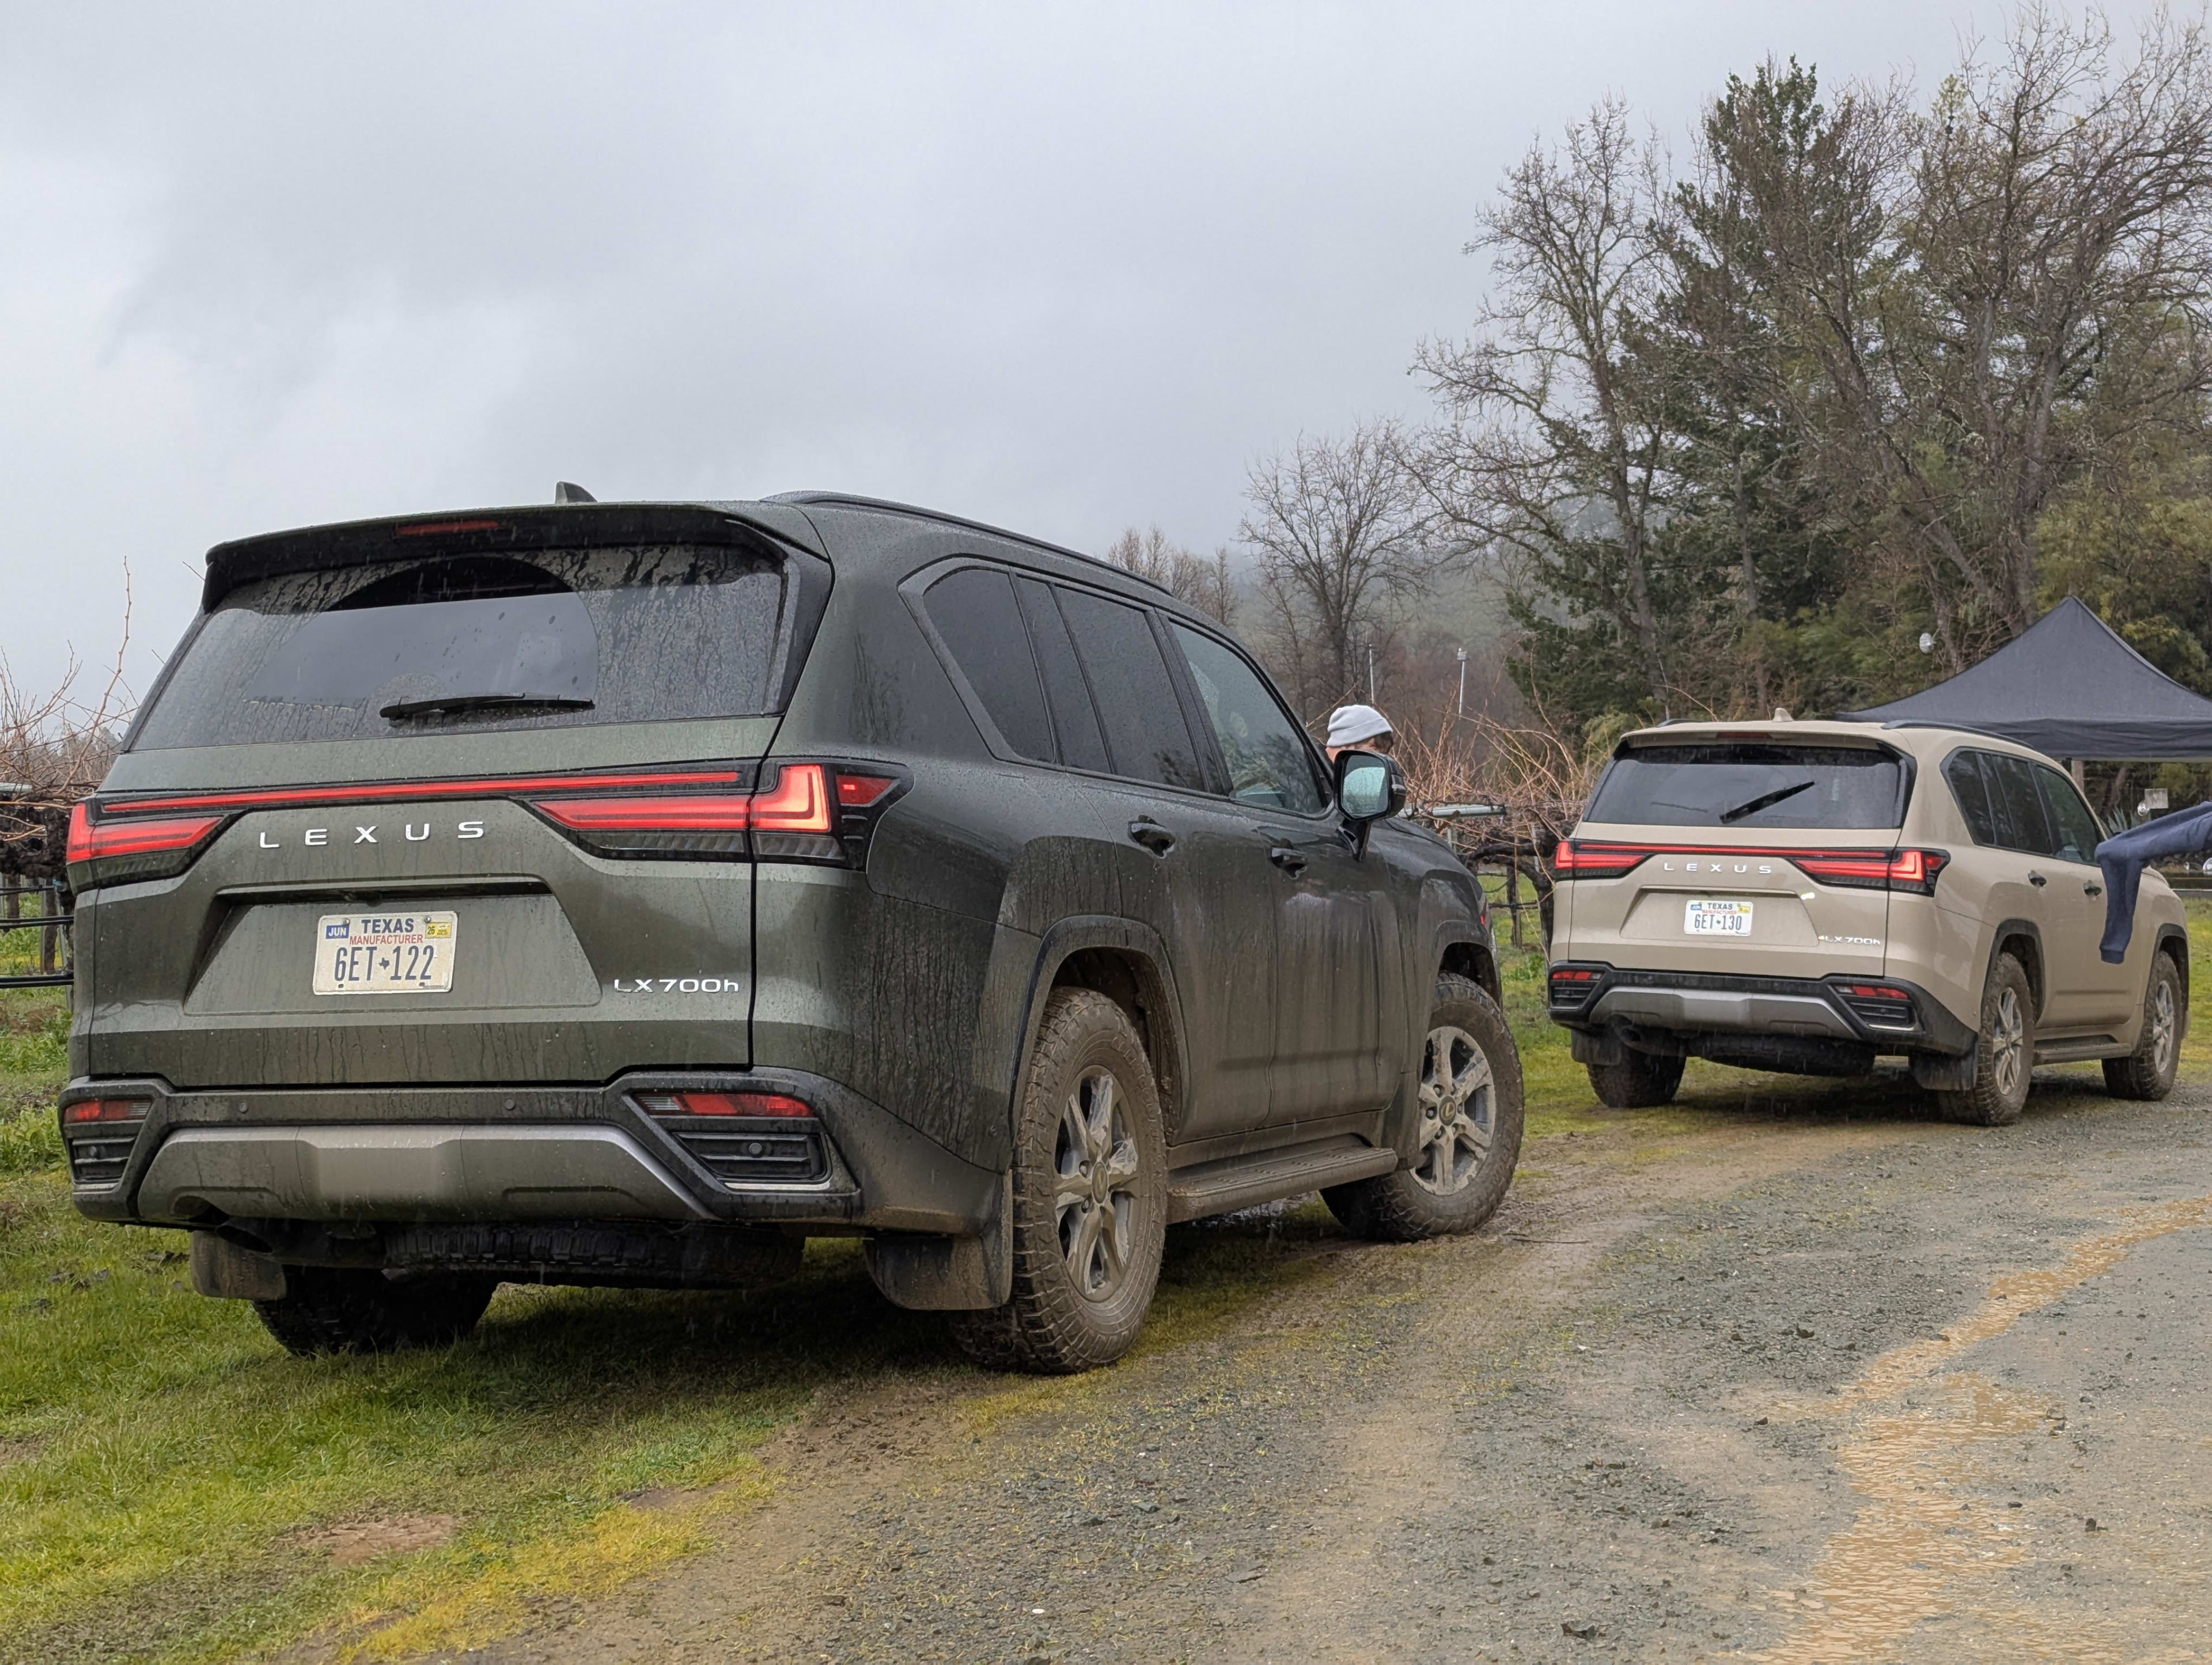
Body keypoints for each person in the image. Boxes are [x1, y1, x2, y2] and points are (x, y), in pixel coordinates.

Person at [1324, 703, 1394, 762]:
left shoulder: (1325, 770)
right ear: (1349, 746)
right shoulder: (1317, 770)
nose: (1375, 763)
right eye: (1372, 754)